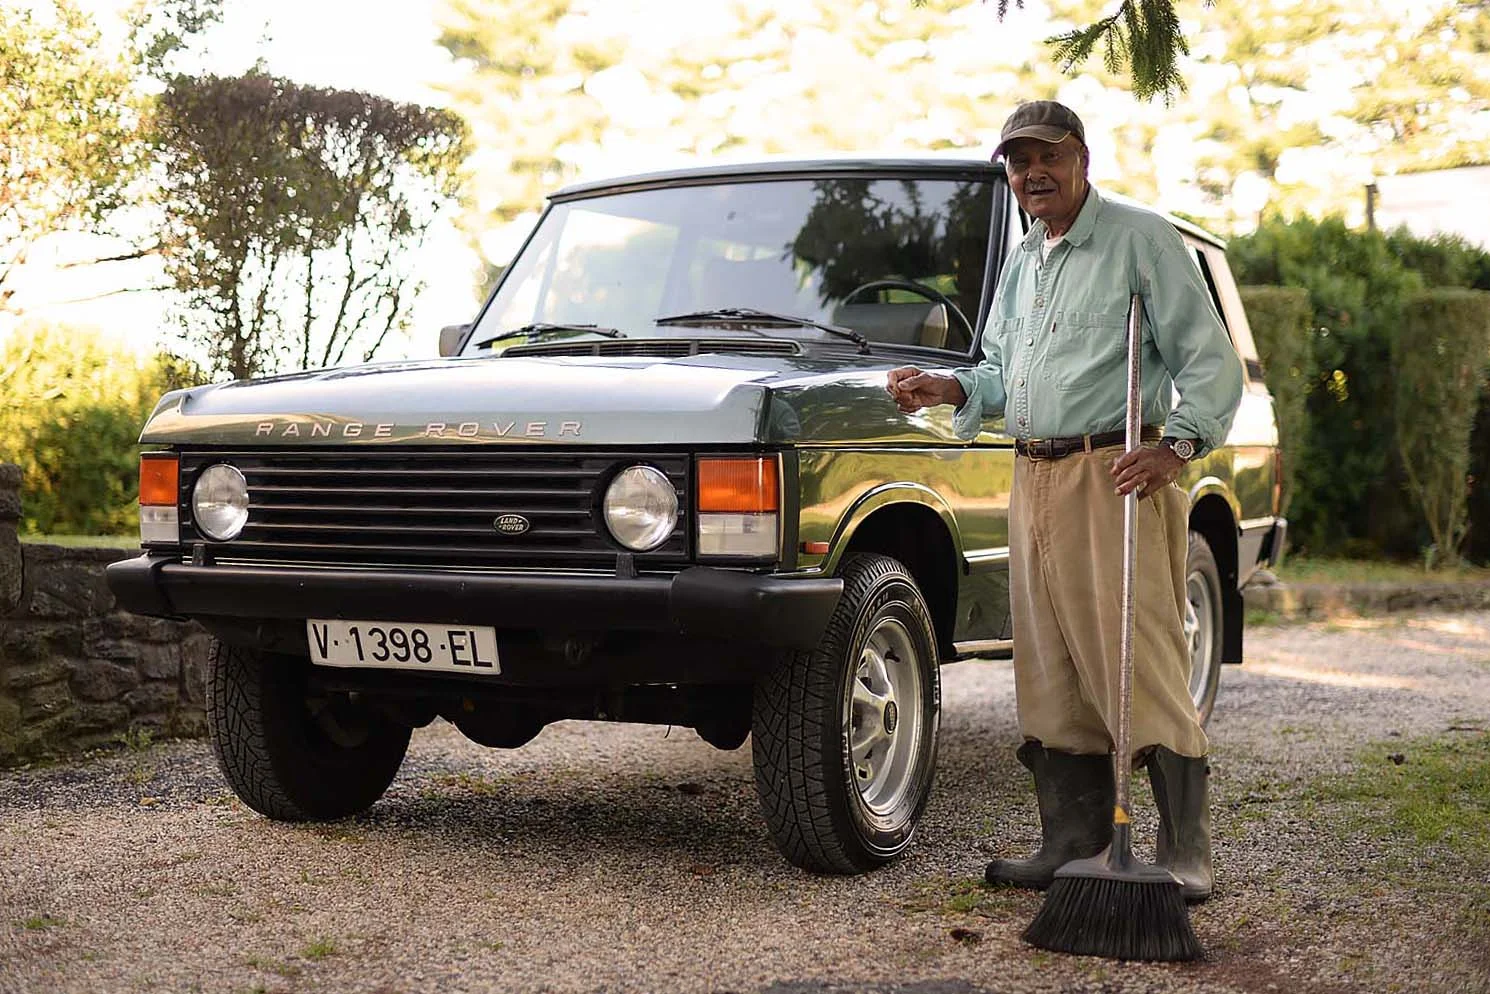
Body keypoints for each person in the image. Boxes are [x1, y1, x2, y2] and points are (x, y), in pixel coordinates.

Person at [885, 100, 1242, 903]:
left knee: (1137, 659)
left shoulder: (1140, 238)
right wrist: (945, 385)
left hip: (1113, 474)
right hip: (1032, 473)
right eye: (1017, 163)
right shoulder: (1025, 260)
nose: (1031, 174)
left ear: (1082, 157)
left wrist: (1176, 446)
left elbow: (1210, 362)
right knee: (1048, 664)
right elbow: (1001, 377)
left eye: (1046, 157)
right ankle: (1071, 838)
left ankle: (1186, 849)